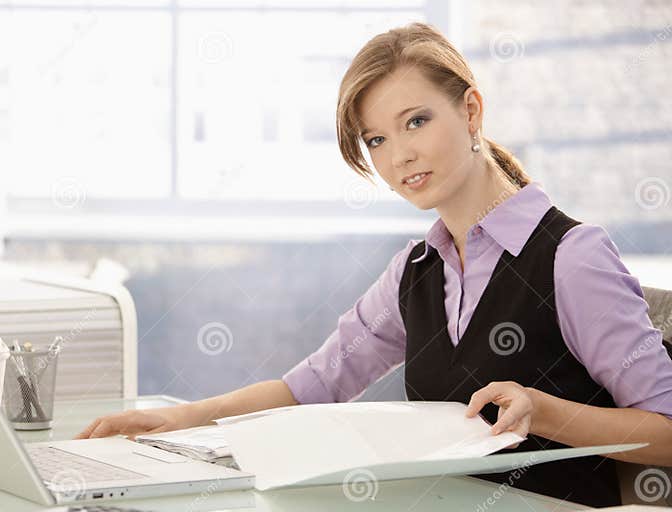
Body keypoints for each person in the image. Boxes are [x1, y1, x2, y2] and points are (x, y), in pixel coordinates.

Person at [76, 22, 672, 507]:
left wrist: (545, 412)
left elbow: (666, 434)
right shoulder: (417, 269)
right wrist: (179, 419)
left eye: (416, 121)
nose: (399, 155)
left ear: (470, 111)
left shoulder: (572, 257)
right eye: (376, 140)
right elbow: (310, 387)